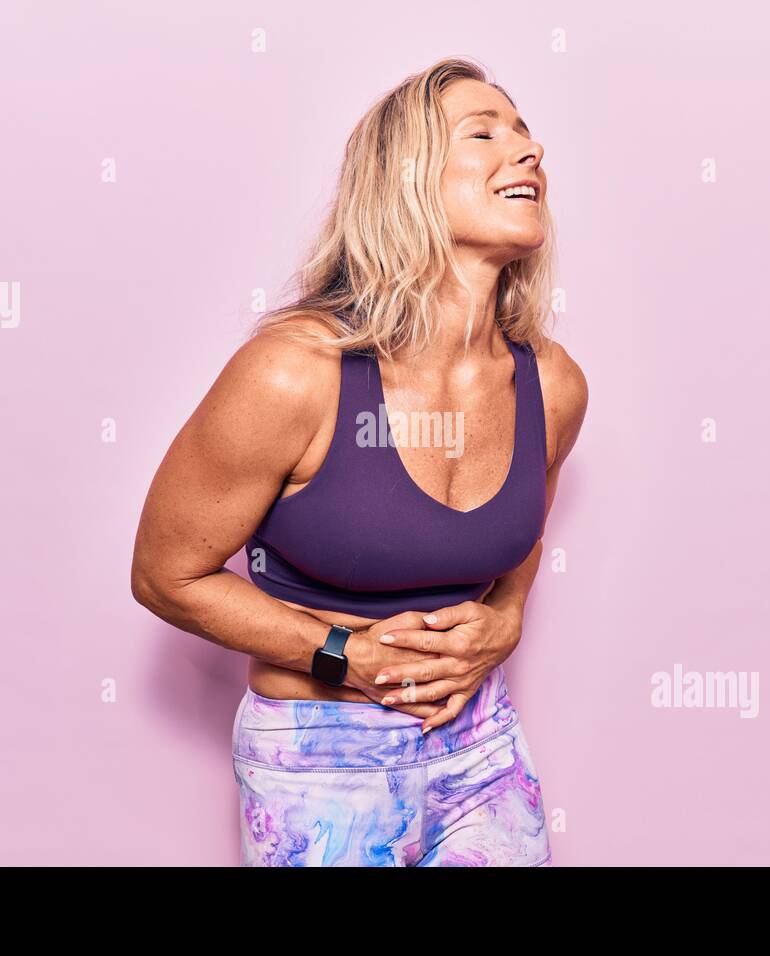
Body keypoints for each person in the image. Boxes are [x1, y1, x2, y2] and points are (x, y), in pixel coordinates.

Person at [131, 56, 587, 866]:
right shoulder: (293, 373)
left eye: (524, 132)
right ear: (404, 180)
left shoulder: (550, 385)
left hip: (481, 747)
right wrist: (345, 653)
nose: (530, 151)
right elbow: (166, 573)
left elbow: (524, 540)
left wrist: (508, 618)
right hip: (318, 762)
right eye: (484, 133)